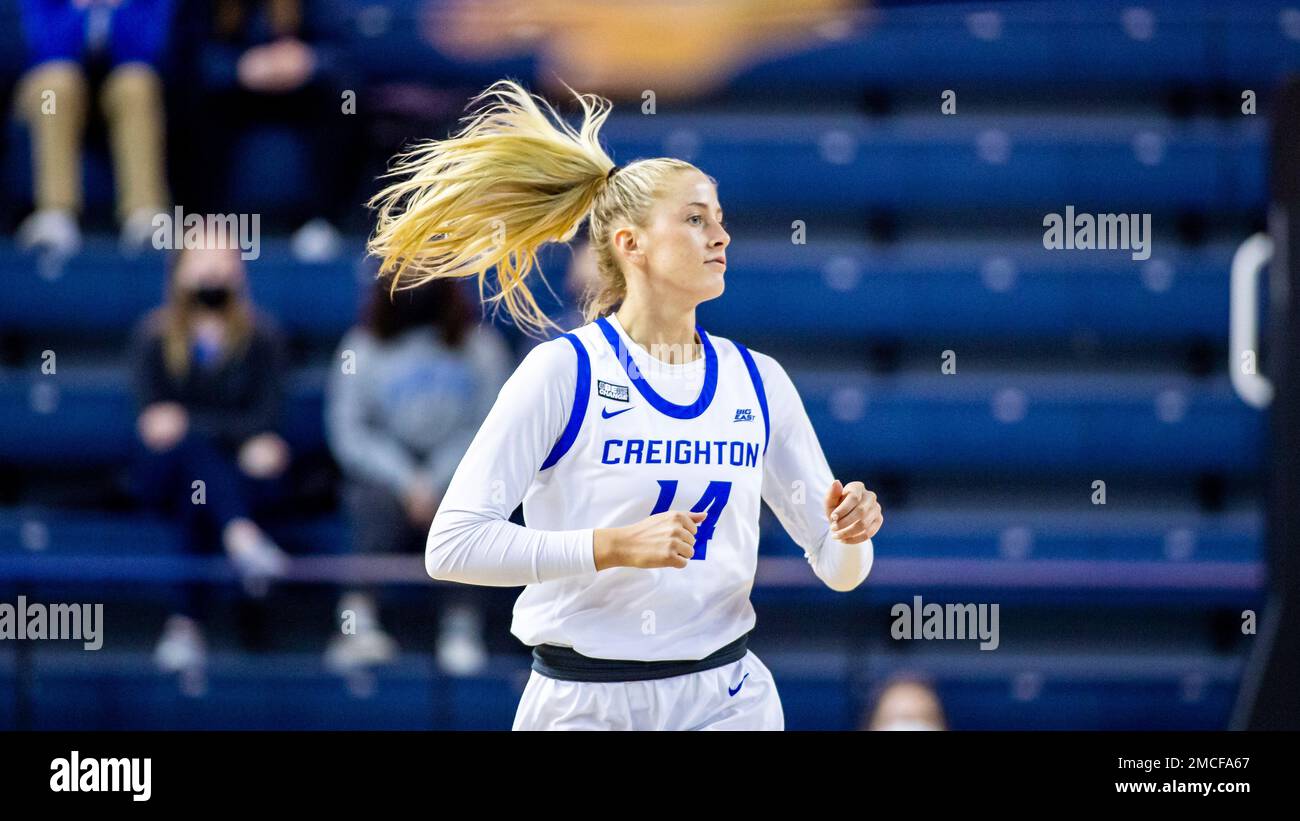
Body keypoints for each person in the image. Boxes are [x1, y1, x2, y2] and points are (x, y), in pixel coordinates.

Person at [367, 79, 883, 730]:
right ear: (630, 245)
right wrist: (608, 545)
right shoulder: (563, 371)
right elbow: (453, 545)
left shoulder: (759, 381)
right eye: (696, 218)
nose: (720, 235)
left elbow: (839, 571)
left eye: (720, 218)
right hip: (583, 700)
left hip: (726, 697)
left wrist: (849, 534)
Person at [323, 278, 512, 675]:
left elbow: (492, 427)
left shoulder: (481, 346)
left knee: (475, 499)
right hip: (386, 477)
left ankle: (462, 625)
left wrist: (436, 477)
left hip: (457, 471)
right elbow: (349, 432)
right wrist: (407, 480)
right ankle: (358, 621)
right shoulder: (361, 347)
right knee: (368, 499)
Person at [128, 244, 292, 681]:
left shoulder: (264, 337)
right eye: (202, 259)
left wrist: (188, 424)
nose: (213, 269)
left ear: (238, 271)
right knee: (188, 458)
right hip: (166, 473)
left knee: (198, 491)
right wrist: (228, 436)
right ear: (179, 271)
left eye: (224, 259)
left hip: (232, 481)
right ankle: (242, 540)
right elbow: (154, 425)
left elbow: (264, 418)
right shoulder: (153, 337)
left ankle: (184, 626)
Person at [14, 0, 175, 256]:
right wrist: (81, 9)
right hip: (48, 96)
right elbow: (45, 50)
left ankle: (144, 214)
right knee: (54, 88)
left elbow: (149, 53)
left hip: (117, 88)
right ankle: (54, 211)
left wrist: (114, 10)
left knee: (137, 84)